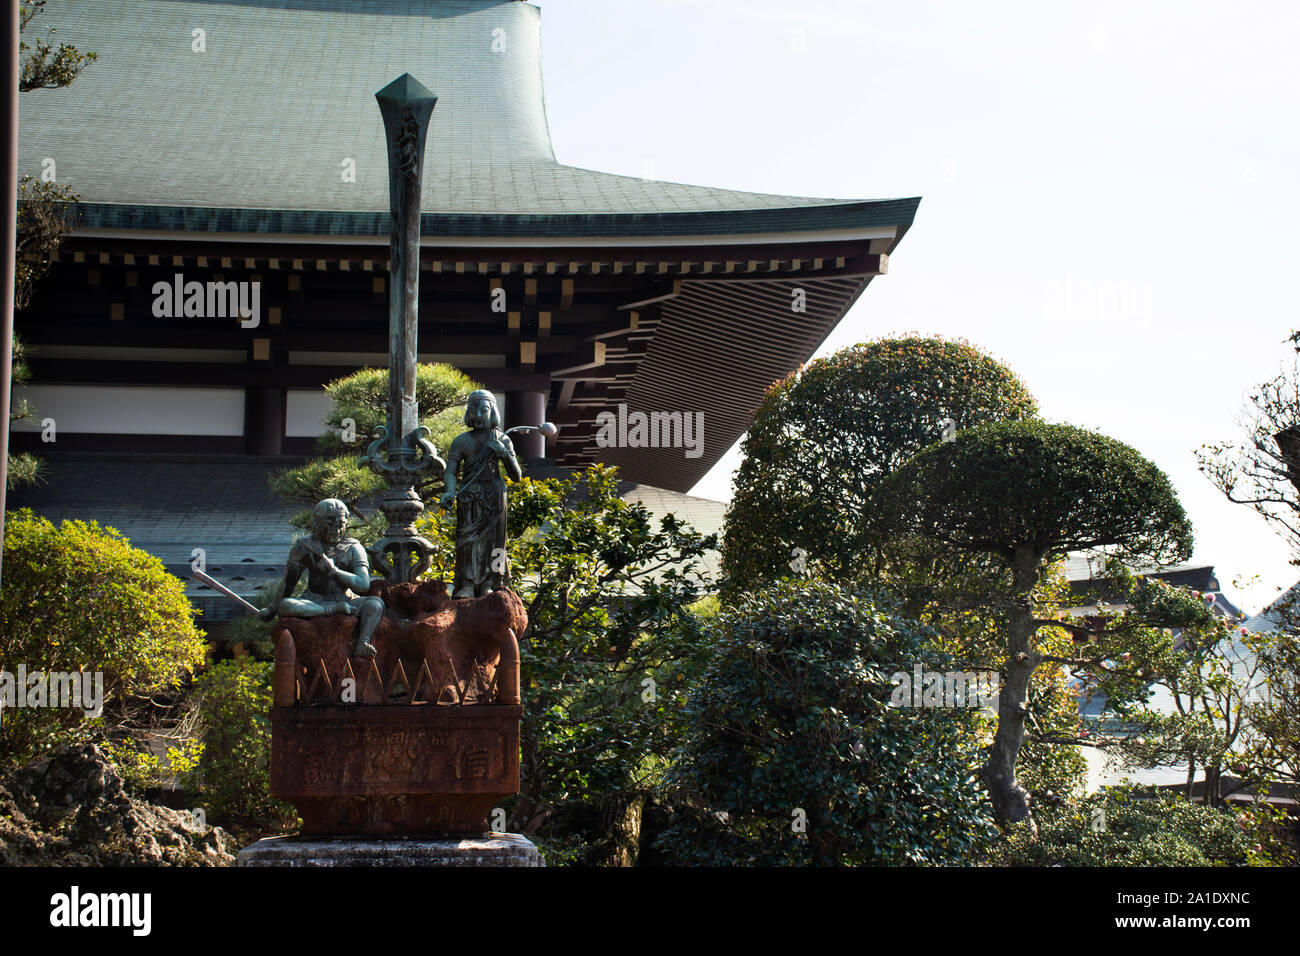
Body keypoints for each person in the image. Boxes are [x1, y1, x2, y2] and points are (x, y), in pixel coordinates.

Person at [259, 498, 385, 657]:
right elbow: (289, 582)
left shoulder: (353, 547)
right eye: (330, 523)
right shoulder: (304, 545)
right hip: (313, 599)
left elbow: (363, 585)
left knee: (375, 604)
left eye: (341, 523)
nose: (337, 529)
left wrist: (334, 571)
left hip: (345, 599)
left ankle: (363, 642)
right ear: (318, 523)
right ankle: (330, 609)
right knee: (287, 605)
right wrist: (272, 608)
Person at [439, 390, 522, 598]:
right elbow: (450, 472)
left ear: (492, 411)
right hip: (469, 495)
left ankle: (490, 581)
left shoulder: (502, 439)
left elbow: (516, 476)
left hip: (494, 494)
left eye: (483, 410)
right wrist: (449, 490)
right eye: (473, 410)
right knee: (468, 540)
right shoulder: (461, 441)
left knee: (495, 541)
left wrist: (504, 454)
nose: (478, 415)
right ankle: (467, 582)